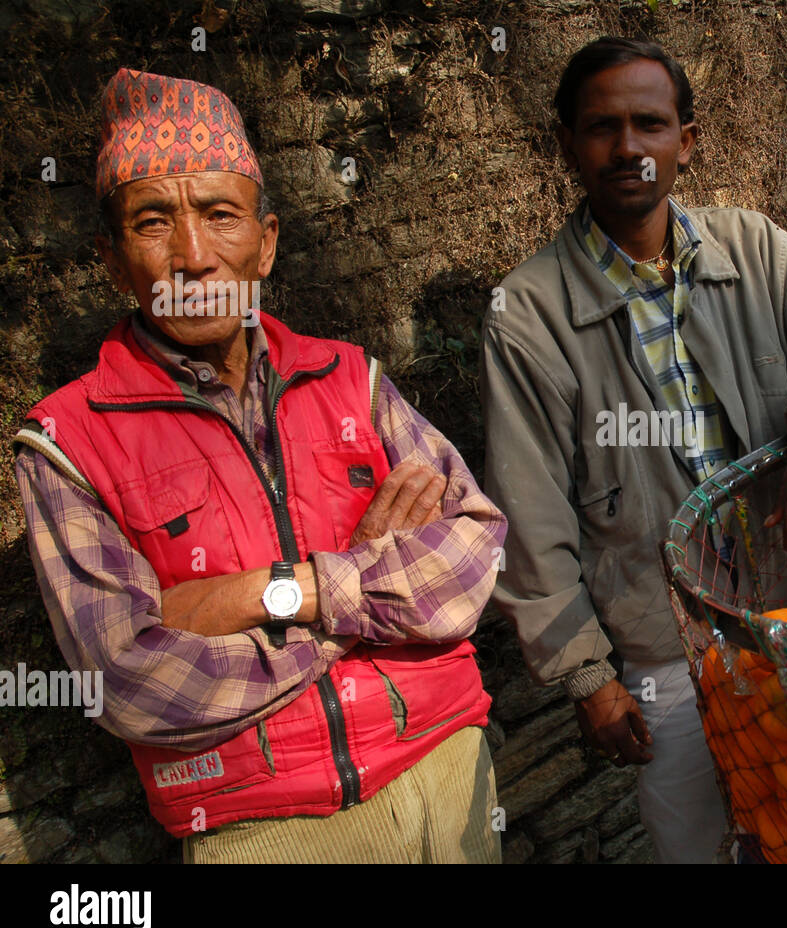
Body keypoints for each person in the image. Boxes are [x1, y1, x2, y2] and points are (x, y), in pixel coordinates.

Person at [14, 68, 507, 864]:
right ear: (111, 260)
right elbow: (127, 676)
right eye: (152, 222)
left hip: (449, 771)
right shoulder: (67, 442)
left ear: (266, 242)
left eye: (220, 215)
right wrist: (366, 593)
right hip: (262, 831)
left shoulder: (352, 379)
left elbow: (474, 553)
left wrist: (272, 595)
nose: (194, 256)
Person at [480, 36, 787, 863]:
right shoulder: (530, 314)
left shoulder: (751, 250)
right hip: (666, 649)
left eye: (650, 124)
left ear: (686, 141)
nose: (628, 149)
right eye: (601, 127)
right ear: (567, 147)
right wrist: (587, 674)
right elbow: (528, 512)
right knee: (696, 843)